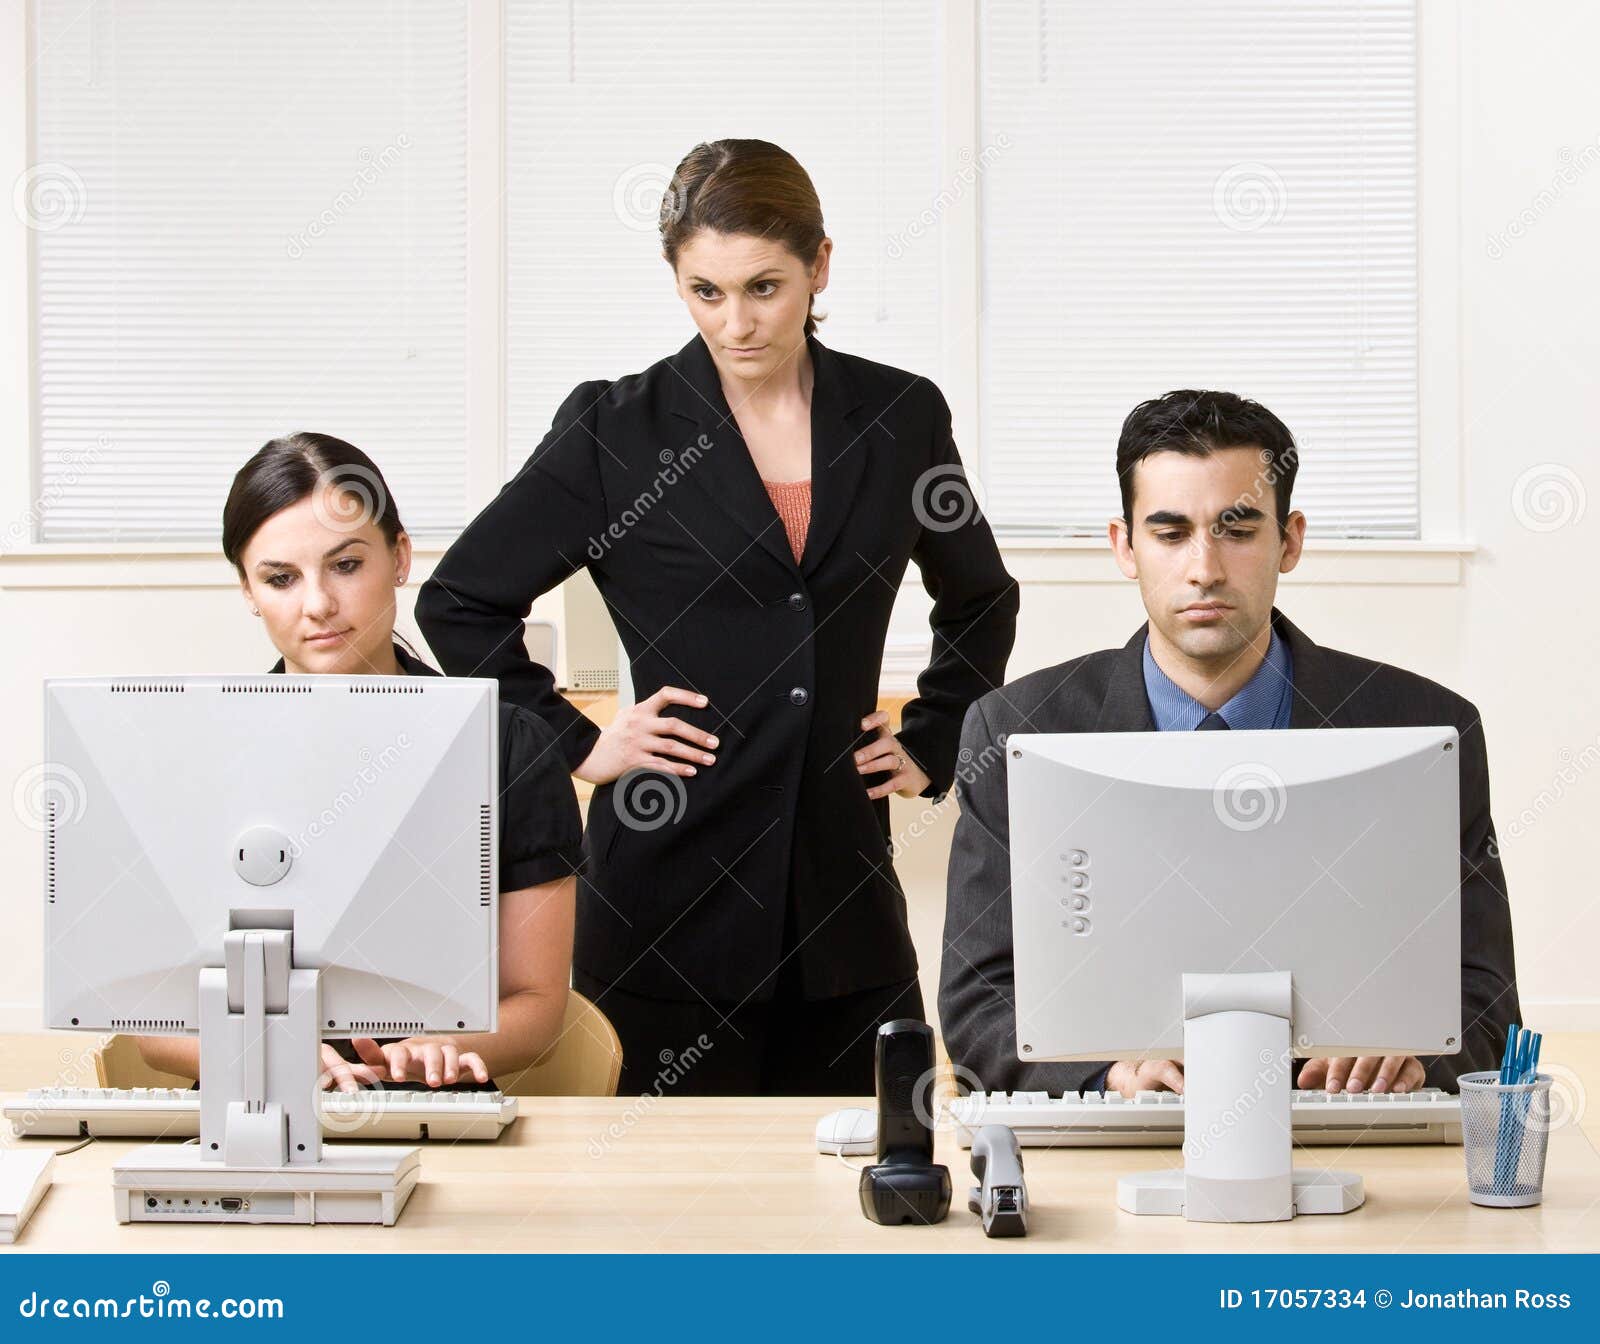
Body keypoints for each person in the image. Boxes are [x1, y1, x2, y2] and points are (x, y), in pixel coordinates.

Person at [417, 139, 1019, 1095]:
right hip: (667, 903)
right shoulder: (613, 432)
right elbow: (459, 602)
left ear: (820, 266)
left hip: (844, 907)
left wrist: (934, 737)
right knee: (666, 1217)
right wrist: (577, 744)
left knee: (871, 1188)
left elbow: (982, 597)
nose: (735, 323)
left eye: (764, 287)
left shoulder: (901, 417)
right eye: (706, 292)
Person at [939, 390, 1520, 1098]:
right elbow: (977, 1004)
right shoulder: (1015, 731)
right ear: (1126, 546)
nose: (1204, 568)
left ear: (1291, 540)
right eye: (1170, 532)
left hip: (1349, 1127)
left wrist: (1415, 1059)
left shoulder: (1427, 727)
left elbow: (1487, 999)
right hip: (1126, 1135)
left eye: (1237, 529)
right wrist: (1107, 1072)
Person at [136, 433, 582, 1093]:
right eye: (281, 578)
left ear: (399, 557)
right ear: (248, 590)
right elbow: (150, 1017)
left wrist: (447, 1046)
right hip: (256, 1110)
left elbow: (538, 1005)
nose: (317, 604)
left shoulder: (508, 744)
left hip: (436, 1114)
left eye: (345, 565)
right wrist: (262, 1051)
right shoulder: (196, 754)